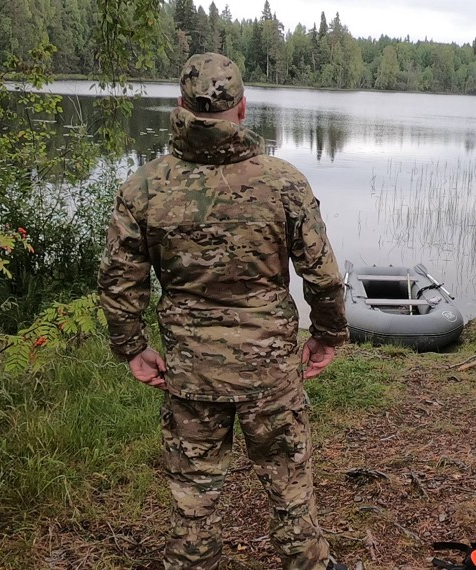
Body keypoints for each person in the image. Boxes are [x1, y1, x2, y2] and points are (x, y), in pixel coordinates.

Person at [98, 52, 350, 570]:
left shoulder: (144, 186)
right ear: (242, 108)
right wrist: (327, 333)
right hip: (269, 372)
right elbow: (321, 274)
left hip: (192, 371)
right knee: (289, 485)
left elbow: (119, 280)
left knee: (193, 498)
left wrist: (132, 347)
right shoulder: (282, 182)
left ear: (180, 104)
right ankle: (309, 563)